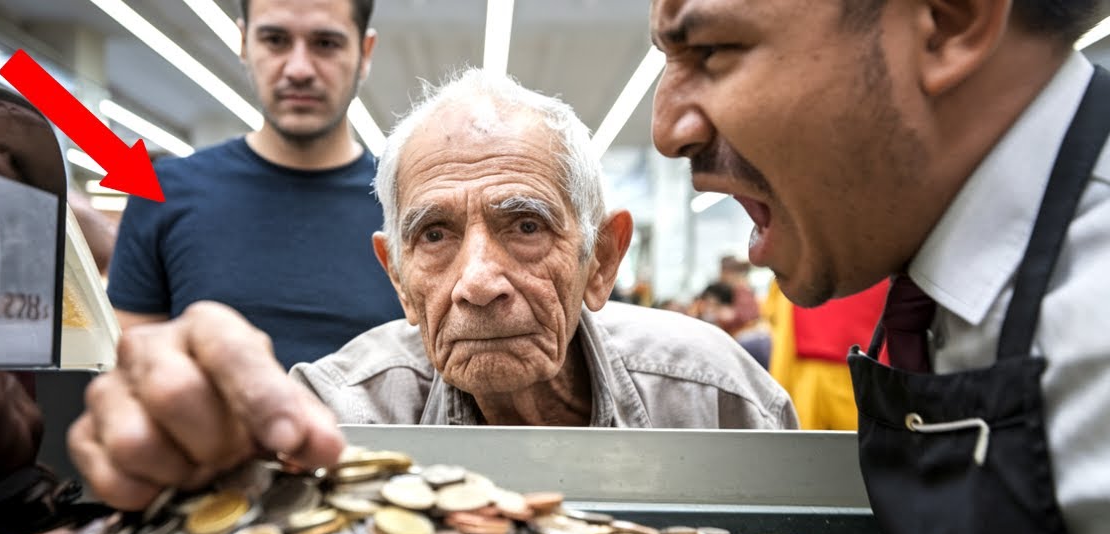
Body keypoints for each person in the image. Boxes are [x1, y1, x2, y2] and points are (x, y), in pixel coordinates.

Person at [649, 0, 1110, 534]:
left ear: (948, 22)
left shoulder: (1105, 339)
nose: (668, 129)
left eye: (715, 50)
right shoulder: (918, 265)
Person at [70, 68, 797, 508]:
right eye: (436, 236)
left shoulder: (717, 397)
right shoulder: (335, 416)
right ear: (397, 278)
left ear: (601, 261)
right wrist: (178, 460)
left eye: (525, 225)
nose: (477, 283)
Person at [106, 0, 404, 369]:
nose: (298, 69)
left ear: (364, 52)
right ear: (245, 43)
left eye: (326, 43)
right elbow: (134, 370)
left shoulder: (405, 202)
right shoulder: (163, 193)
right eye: (275, 40)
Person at [762, 279, 888, 430]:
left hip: (817, 378)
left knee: (803, 448)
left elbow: (772, 314)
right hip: (858, 378)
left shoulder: (795, 265)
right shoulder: (888, 266)